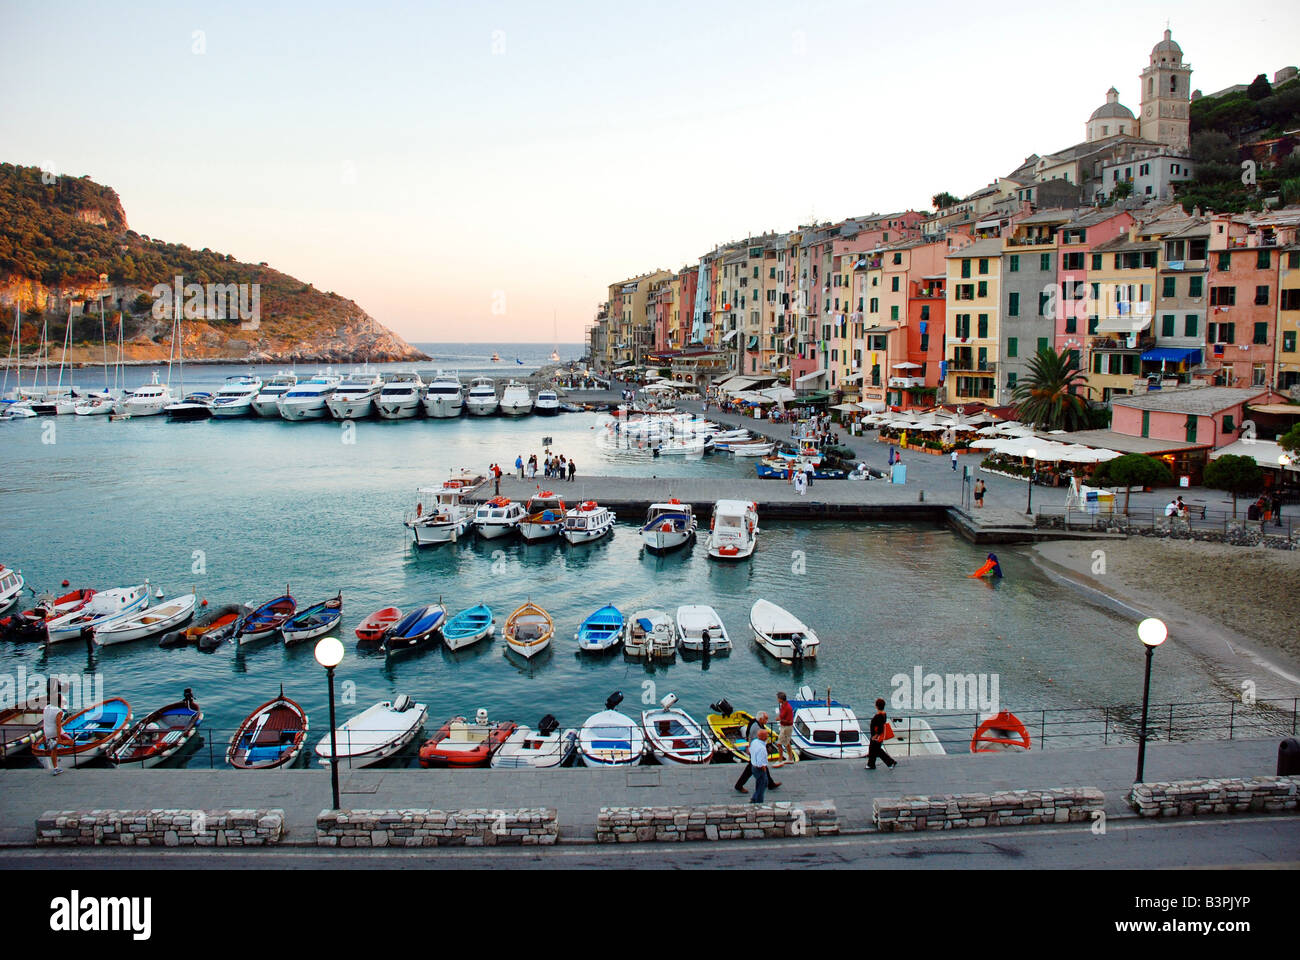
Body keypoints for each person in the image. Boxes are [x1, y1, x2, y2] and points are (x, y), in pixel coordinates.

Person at [734, 712, 780, 791]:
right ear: (761, 719)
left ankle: (770, 784)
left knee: (763, 766)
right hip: (755, 751)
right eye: (766, 719)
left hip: (754, 749)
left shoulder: (756, 722)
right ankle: (739, 785)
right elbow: (759, 740)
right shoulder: (756, 728)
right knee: (750, 769)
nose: (767, 720)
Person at [43, 685, 70, 776]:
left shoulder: (46, 708)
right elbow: (58, 725)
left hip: (47, 732)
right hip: (54, 732)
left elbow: (46, 720)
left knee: (53, 750)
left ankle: (55, 767)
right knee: (70, 741)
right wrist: (59, 738)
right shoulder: (58, 711)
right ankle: (67, 749)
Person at [865, 698, 897, 770]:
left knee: (876, 750)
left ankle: (890, 762)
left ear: (876, 706)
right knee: (874, 750)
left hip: (876, 736)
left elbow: (880, 728)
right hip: (877, 736)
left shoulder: (878, 716)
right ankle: (871, 764)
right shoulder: (883, 714)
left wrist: (875, 736)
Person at [749, 729, 771, 803]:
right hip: (759, 769)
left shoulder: (754, 742)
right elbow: (760, 764)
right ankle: (758, 802)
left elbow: (750, 750)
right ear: (764, 737)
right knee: (762, 785)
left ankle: (754, 797)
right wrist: (764, 768)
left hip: (753, 766)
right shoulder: (762, 749)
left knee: (760, 783)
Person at [776, 691, 796, 764]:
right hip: (784, 726)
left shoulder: (788, 707)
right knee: (787, 743)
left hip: (786, 727)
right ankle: (790, 758)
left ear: (781, 699)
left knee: (779, 743)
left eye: (778, 698)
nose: (777, 700)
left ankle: (780, 760)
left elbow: (789, 720)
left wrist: (780, 719)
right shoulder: (783, 706)